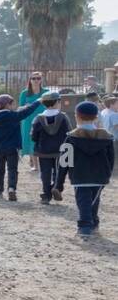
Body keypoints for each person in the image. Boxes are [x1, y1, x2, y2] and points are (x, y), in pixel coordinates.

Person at [0, 92, 46, 201]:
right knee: (12, 169)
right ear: (7, 105)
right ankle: (11, 188)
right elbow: (28, 110)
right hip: (12, 148)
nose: (14, 106)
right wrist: (38, 101)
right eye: (12, 104)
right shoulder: (14, 116)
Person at [60, 100, 113, 237]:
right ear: (96, 117)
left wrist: (59, 182)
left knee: (83, 200)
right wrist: (107, 174)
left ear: (77, 116)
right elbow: (111, 158)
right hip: (100, 175)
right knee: (94, 200)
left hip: (79, 174)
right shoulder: (106, 137)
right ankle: (93, 223)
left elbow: (64, 161)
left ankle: (84, 226)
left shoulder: (71, 137)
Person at [29, 92, 70, 204]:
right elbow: (69, 134)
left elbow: (33, 136)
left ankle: (46, 194)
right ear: (57, 102)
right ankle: (57, 187)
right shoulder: (63, 117)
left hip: (43, 151)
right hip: (60, 151)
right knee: (59, 171)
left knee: (45, 173)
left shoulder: (38, 119)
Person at [19, 72, 47, 171]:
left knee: (42, 140)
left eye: (38, 78)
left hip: (43, 119)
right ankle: (35, 164)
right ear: (30, 80)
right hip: (28, 120)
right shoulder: (24, 93)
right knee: (31, 140)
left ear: (41, 80)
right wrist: (25, 106)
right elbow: (19, 107)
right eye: (33, 78)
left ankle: (39, 161)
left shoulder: (46, 92)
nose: (36, 80)